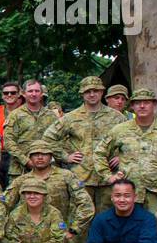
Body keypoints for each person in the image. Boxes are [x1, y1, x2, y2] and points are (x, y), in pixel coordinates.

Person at [41, 76, 122, 214]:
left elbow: (130, 140)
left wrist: (121, 156)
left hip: (109, 177)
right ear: (82, 94)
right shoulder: (71, 117)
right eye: (87, 91)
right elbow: (48, 138)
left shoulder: (117, 117)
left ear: (102, 92)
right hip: (81, 176)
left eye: (95, 90)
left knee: (109, 218)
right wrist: (65, 156)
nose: (92, 94)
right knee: (81, 217)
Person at [2, 145, 95, 243]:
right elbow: (3, 205)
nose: (40, 157)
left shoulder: (66, 176)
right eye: (35, 154)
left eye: (44, 154)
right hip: (26, 240)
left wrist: (73, 229)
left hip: (56, 238)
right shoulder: (21, 180)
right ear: (30, 158)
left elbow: (86, 204)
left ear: (51, 156)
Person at [4, 78, 61, 171]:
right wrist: (26, 161)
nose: (34, 94)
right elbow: (9, 142)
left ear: (41, 93)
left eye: (37, 91)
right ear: (23, 93)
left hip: (48, 169)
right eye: (30, 91)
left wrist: (65, 157)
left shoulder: (51, 116)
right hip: (21, 169)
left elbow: (59, 140)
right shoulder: (15, 115)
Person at [0, 79, 23, 185]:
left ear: (19, 95)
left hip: (17, 158)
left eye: (13, 93)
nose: (9, 95)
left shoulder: (25, 113)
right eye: (6, 93)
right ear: (2, 96)